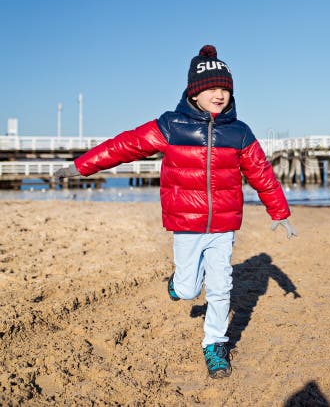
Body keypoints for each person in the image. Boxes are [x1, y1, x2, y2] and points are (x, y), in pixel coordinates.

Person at [54, 44, 296, 379]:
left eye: (225, 88)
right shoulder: (171, 126)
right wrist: (81, 167)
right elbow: (125, 146)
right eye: (211, 87)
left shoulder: (239, 132)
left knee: (221, 286)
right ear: (195, 93)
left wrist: (279, 212)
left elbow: (261, 172)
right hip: (186, 224)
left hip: (224, 226)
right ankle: (178, 285)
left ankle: (214, 344)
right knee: (186, 289)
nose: (219, 94)